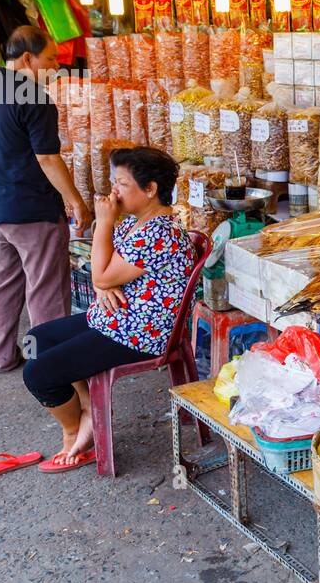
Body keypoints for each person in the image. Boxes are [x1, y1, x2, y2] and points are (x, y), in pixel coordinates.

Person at [21, 147, 196, 471]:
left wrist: (103, 224)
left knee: (38, 374)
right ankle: (89, 410)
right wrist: (107, 286)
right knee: (35, 340)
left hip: (140, 332)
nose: (113, 191)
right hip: (118, 317)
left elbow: (101, 273)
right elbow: (108, 268)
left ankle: (74, 432)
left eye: (122, 184)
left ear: (151, 189)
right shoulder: (137, 223)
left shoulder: (159, 231)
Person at [0, 25, 92, 374]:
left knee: (3, 284)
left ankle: (0, 357)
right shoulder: (34, 97)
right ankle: (48, 364)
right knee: (46, 290)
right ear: (27, 58)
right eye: (50, 59)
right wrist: (76, 201)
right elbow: (48, 158)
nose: (55, 68)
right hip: (33, 210)